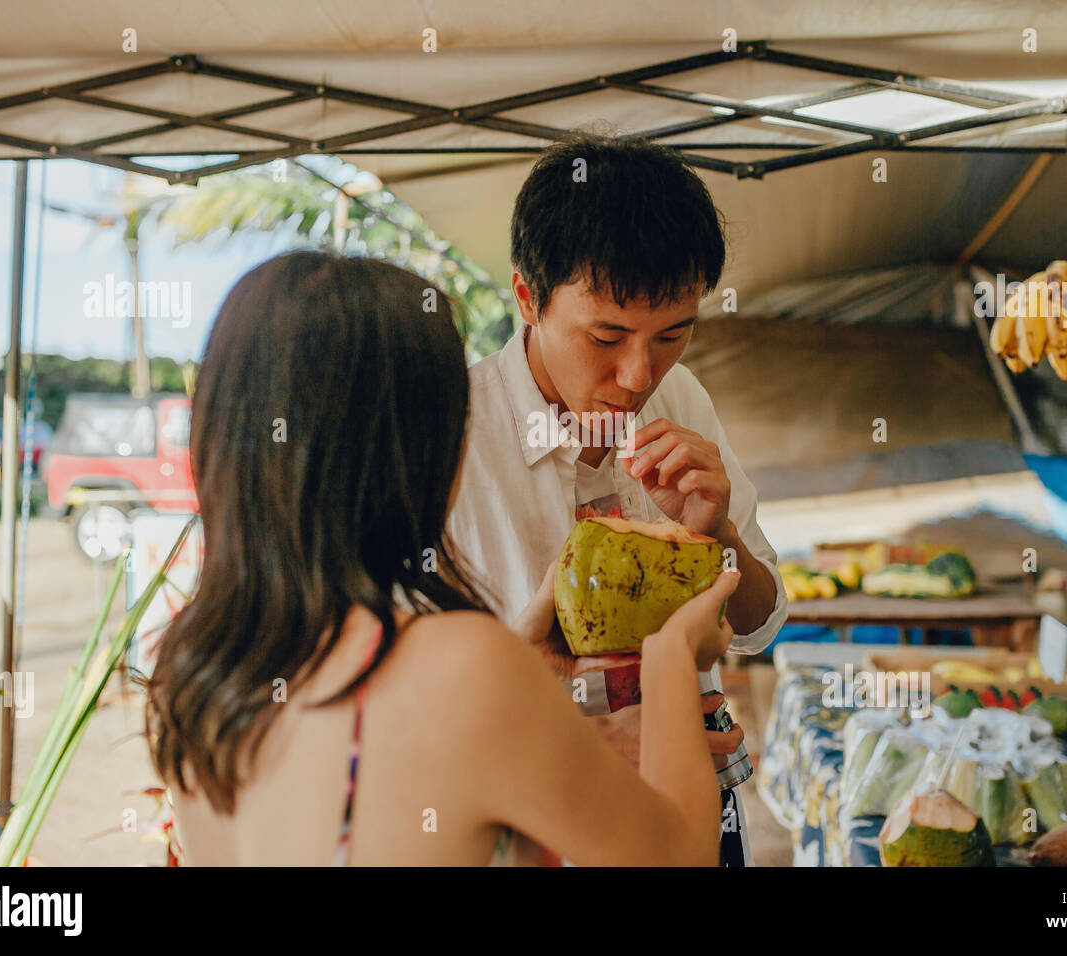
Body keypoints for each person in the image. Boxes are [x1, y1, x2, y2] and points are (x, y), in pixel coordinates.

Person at [147, 252, 740, 866]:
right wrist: (670, 658)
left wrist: (523, 677)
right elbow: (679, 859)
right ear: (425, 444)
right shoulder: (462, 665)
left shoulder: (193, 670)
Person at [446, 133, 787, 867]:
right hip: (532, 817)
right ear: (527, 297)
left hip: (693, 795)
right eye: (606, 336)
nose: (638, 375)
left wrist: (718, 532)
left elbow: (759, 625)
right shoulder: (451, 437)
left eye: (672, 335)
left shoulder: (682, 395)